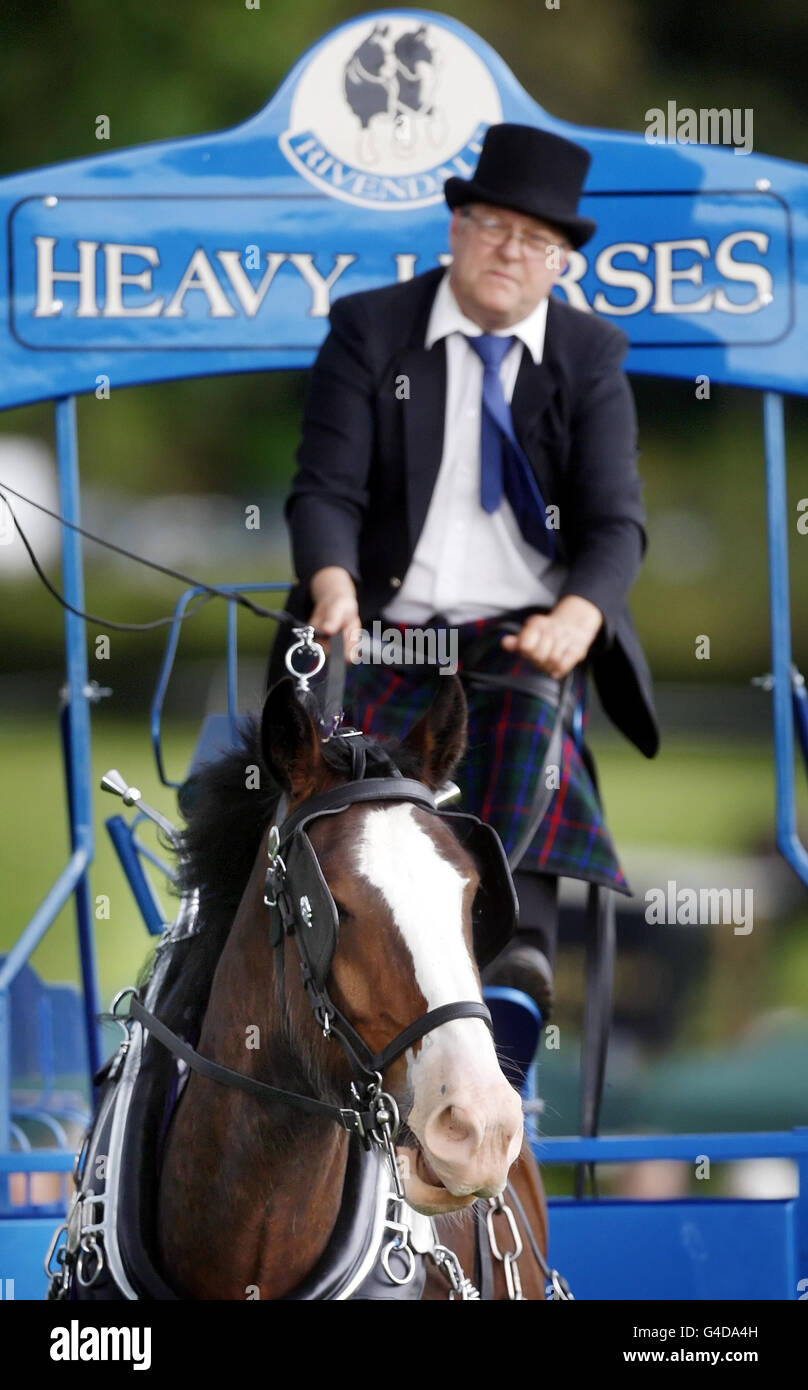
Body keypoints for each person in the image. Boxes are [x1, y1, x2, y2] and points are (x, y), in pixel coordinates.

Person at [268, 122, 659, 1020]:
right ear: (457, 227)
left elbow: (615, 525)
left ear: (562, 261)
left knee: (528, 730)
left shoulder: (588, 354)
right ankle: (336, 981)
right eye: (492, 224)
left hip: (522, 636)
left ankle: (508, 962)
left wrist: (582, 614)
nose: (509, 251)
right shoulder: (371, 328)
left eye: (536, 240)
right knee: (336, 792)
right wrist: (332, 581)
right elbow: (323, 490)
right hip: (375, 628)